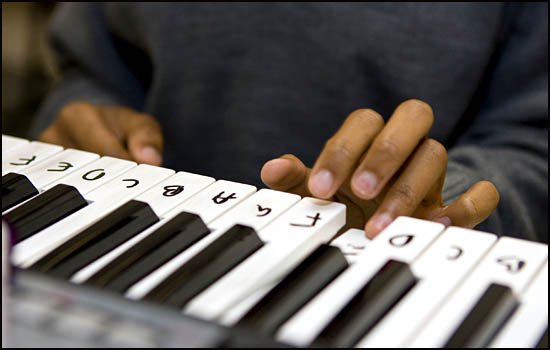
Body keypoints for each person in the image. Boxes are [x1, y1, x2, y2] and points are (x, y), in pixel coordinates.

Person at [31, 3, 548, 242]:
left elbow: (531, 139)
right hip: (129, 257)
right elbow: (93, 66)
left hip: (387, 281)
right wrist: (80, 118)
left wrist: (425, 198)